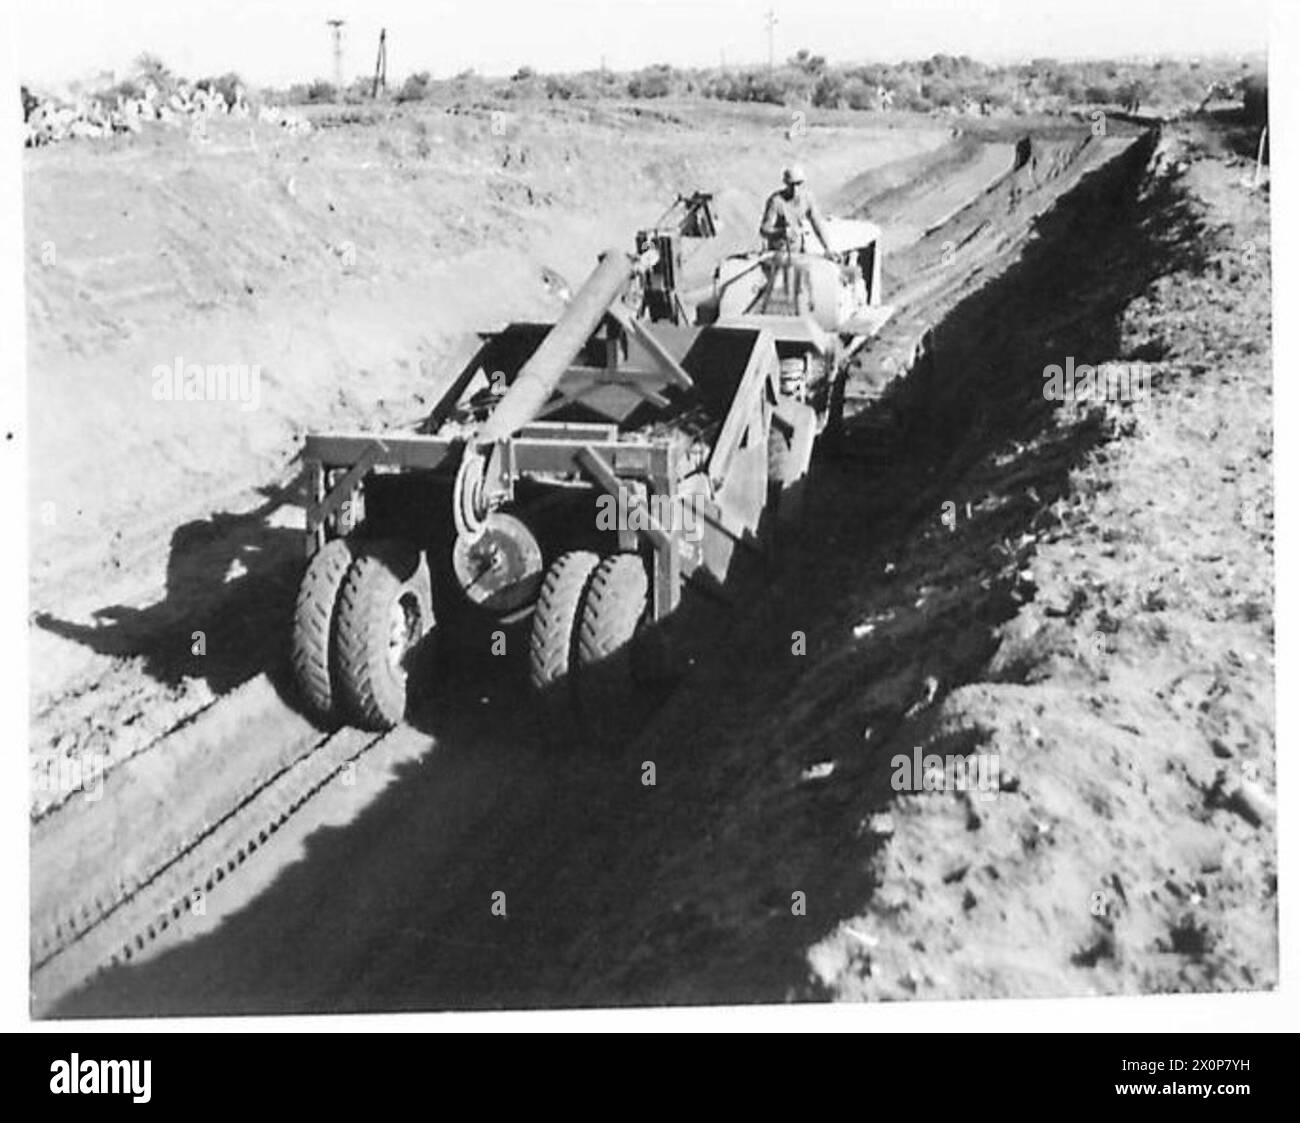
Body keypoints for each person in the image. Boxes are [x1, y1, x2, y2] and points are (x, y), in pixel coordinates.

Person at [759, 165, 833, 255]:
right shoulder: (776, 201)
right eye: (792, 185)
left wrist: (827, 248)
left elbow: (817, 224)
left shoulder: (807, 199)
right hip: (779, 253)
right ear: (786, 184)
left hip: (799, 250)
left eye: (798, 184)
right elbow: (764, 230)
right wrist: (781, 232)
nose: (795, 189)